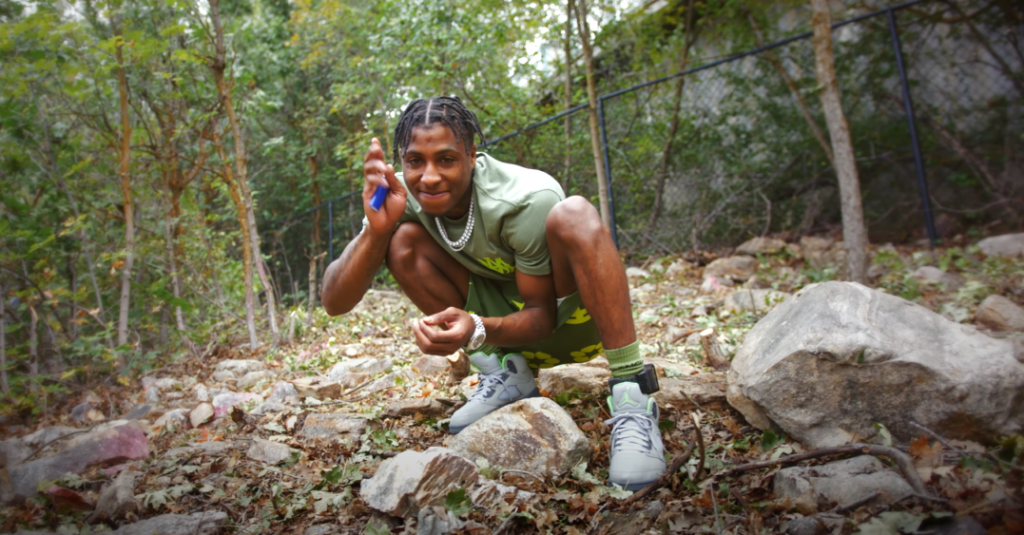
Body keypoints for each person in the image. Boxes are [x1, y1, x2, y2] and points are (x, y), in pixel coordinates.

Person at [321, 96, 666, 490]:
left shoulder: (524, 198)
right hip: (502, 340)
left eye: (446, 159)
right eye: (415, 161)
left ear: (471, 155)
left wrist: (477, 327)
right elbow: (334, 303)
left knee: (575, 213)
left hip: (571, 324)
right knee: (401, 241)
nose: (429, 177)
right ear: (401, 160)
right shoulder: (405, 197)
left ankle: (632, 396)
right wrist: (377, 228)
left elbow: (543, 317)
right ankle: (507, 374)